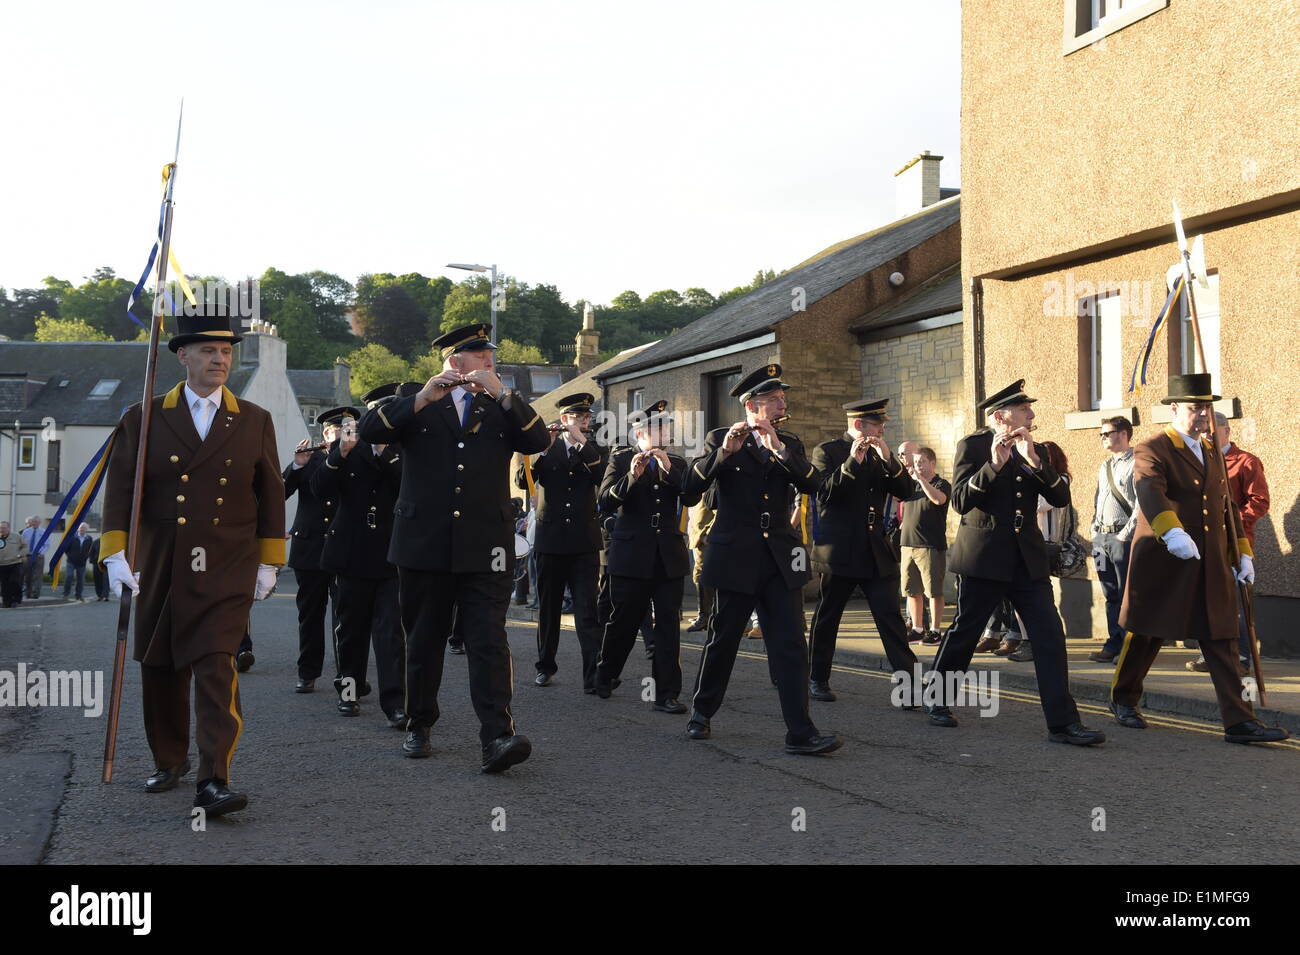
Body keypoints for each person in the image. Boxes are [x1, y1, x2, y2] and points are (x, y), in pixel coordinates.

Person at [99, 308, 285, 816]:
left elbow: (271, 493)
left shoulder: (254, 420)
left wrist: (269, 561)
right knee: (160, 667)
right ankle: (169, 760)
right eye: (208, 351)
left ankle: (214, 778)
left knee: (216, 669)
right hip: (162, 561)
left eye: (226, 352)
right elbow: (121, 489)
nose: (219, 360)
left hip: (227, 565)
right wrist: (115, 552)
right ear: (183, 356)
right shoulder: (143, 415)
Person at [358, 322, 549, 772]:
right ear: (454, 359)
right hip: (424, 543)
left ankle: (497, 735)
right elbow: (370, 430)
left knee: (488, 639)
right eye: (481, 355)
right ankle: (419, 724)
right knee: (424, 639)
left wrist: (504, 393)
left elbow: (537, 440)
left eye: (490, 354)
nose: (489, 361)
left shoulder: (500, 404)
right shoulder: (417, 402)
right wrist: (423, 397)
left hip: (487, 546)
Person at [1109, 374, 1287, 745]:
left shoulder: (1211, 451)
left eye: (1207, 408)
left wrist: (1242, 552)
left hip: (1211, 562)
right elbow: (1149, 490)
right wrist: (1171, 531)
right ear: (1174, 409)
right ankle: (1124, 699)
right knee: (1146, 632)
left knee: (1220, 636)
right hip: (1166, 559)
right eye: (1195, 408)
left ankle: (1239, 721)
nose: (1203, 416)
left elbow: (1227, 507)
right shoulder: (1153, 448)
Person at [924, 379, 1104, 745]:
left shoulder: (1034, 448)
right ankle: (937, 698)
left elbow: (1059, 496)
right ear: (1000, 416)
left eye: (1029, 409)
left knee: (1050, 637)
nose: (1032, 414)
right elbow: (959, 501)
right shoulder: (973, 446)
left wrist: (1035, 460)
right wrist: (993, 465)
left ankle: (1063, 723)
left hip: (1027, 560)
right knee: (965, 631)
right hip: (985, 558)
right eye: (1024, 410)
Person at [681, 363, 841, 755]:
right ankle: (701, 714)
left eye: (782, 398)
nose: (782, 403)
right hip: (735, 557)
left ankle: (800, 733)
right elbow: (689, 490)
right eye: (774, 399)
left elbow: (815, 485)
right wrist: (722, 455)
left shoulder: (789, 442)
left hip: (779, 560)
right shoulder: (720, 438)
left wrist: (780, 451)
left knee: (789, 645)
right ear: (753, 405)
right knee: (724, 639)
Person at [807, 398, 918, 703]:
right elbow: (825, 493)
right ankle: (817, 677)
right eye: (878, 425)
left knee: (890, 618)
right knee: (828, 617)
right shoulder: (828, 452)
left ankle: (910, 686)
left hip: (875, 549)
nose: (883, 430)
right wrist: (852, 463)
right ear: (859, 425)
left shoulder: (882, 455)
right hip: (840, 549)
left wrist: (890, 461)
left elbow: (906, 491)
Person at [594, 400, 700, 712]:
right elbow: (605, 502)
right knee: (624, 621)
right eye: (658, 427)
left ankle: (664, 693)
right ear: (641, 432)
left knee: (668, 624)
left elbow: (692, 496)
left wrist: (668, 469)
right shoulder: (621, 458)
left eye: (666, 427)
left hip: (668, 554)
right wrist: (632, 477)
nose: (665, 432)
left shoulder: (677, 462)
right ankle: (606, 670)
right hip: (631, 554)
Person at [313, 388, 407, 726]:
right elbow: (320, 487)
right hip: (350, 550)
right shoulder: (346, 448)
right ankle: (348, 692)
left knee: (390, 632)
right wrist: (341, 452)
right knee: (350, 630)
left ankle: (395, 702)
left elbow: (406, 485)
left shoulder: (399, 449)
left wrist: (384, 453)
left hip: (389, 552)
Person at [516, 392, 608, 691]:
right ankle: (545, 666)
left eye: (587, 417)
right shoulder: (544, 446)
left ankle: (592, 674)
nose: (585, 421)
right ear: (564, 419)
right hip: (551, 539)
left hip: (583, 541)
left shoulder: (594, 448)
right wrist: (543, 449)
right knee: (549, 608)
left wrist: (581, 442)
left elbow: (601, 476)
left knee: (587, 610)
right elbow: (521, 480)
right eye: (579, 417)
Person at [1187, 412, 1270, 674]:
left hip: (1234, 541)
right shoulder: (1198, 460)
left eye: (1213, 430)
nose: (1208, 435)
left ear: (1227, 431)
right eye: (1205, 431)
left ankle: (1243, 658)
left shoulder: (1245, 461)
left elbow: (1259, 501)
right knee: (1206, 601)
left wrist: (1233, 522)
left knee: (1236, 601)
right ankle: (1209, 656)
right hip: (1203, 542)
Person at [1006, 440, 1074, 664]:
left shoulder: (1059, 480)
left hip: (1046, 542)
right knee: (1024, 594)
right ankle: (1026, 640)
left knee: (1042, 597)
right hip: (1030, 542)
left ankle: (1037, 641)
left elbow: (1039, 505)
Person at [283, 427, 339, 693]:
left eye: (347, 429)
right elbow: (279, 493)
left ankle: (348, 677)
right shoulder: (308, 458)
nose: (340, 434)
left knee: (347, 618)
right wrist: (296, 465)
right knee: (310, 615)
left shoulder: (359, 456)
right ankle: (307, 672)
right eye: (335, 430)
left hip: (344, 548)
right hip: (310, 547)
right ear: (325, 433)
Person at [1088, 417, 1138, 663]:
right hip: (1102, 538)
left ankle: (1130, 646)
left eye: (1106, 433)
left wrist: (1125, 533)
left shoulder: (1137, 463)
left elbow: (1141, 504)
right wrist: (1094, 529)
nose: (1103, 438)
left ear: (1123, 434)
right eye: (1101, 434)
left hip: (1122, 537)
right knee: (1110, 594)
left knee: (1126, 593)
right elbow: (1098, 500)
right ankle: (1114, 642)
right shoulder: (1104, 465)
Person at [899, 446, 951, 645]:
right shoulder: (911, 485)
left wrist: (921, 479)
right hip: (908, 544)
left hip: (930, 545)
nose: (917, 466)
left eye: (921, 462)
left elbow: (939, 500)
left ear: (932, 463)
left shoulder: (941, 484)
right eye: (915, 463)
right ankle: (918, 628)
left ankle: (935, 631)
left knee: (933, 592)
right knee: (912, 590)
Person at [61, 523, 94, 601]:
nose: (82, 529)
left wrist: (86, 557)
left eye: (84, 528)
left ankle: (78, 595)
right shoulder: (72, 537)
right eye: (81, 528)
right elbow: (66, 548)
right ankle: (66, 594)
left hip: (82, 562)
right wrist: (70, 555)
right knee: (69, 576)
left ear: (87, 530)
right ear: (78, 529)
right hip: (71, 561)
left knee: (80, 579)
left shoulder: (89, 538)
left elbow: (90, 550)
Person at [0, 521, 28, 607]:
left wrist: (20, 554)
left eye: (4, 528)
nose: (2, 530)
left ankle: (16, 600)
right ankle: (6, 602)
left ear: (9, 528)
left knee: (14, 582)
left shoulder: (16, 536)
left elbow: (25, 546)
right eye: (0, 528)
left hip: (15, 563)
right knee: (4, 584)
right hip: (2, 564)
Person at [21, 516, 46, 599]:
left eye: (37, 522)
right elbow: (23, 544)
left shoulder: (43, 532)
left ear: (39, 523)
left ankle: (36, 593)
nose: (35, 523)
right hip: (28, 556)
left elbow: (47, 544)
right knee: (28, 575)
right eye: (34, 521)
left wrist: (42, 552)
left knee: (37, 575)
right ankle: (28, 592)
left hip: (39, 556)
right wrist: (23, 554)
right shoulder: (26, 532)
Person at [90, 534, 108, 600]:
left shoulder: (108, 542)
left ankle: (105, 596)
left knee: (105, 580)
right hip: (96, 564)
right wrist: (92, 560)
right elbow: (91, 552)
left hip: (106, 564)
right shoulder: (95, 542)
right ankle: (99, 595)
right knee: (97, 580)